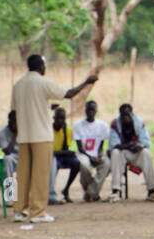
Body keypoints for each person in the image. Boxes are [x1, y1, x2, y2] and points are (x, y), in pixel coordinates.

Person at [10, 55, 98, 224]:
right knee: (41, 174)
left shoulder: (18, 85)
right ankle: (38, 212)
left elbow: (15, 111)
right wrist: (87, 82)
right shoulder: (43, 82)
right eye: (44, 65)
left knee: (23, 175)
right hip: (41, 136)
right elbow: (69, 94)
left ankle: (19, 210)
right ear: (40, 66)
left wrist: (45, 107)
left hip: (24, 136)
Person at [108, 105, 154, 199]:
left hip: (135, 152)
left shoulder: (139, 122)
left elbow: (145, 142)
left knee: (146, 153)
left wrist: (139, 145)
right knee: (115, 152)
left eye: (127, 115)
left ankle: (151, 190)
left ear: (131, 114)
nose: (125, 118)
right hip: (123, 153)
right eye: (123, 115)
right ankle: (115, 190)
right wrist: (129, 145)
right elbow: (114, 144)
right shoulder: (115, 124)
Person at [73, 98, 110, 201]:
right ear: (85, 111)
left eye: (92, 110)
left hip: (96, 153)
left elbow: (101, 145)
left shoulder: (103, 125)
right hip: (83, 153)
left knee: (106, 163)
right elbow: (80, 148)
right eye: (88, 110)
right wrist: (90, 157)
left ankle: (90, 192)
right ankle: (94, 193)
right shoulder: (78, 125)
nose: (90, 112)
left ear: (96, 111)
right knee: (84, 165)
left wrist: (98, 155)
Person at [49, 105, 81, 204]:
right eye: (58, 118)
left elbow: (66, 148)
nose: (60, 121)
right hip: (52, 157)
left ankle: (65, 189)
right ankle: (50, 193)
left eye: (63, 118)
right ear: (54, 118)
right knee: (53, 164)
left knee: (76, 163)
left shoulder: (68, 130)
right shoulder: (49, 129)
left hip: (61, 155)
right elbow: (50, 151)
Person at [0, 109, 18, 206]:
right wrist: (15, 135)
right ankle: (10, 196)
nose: (16, 123)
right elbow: (7, 151)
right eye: (14, 120)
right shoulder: (2, 132)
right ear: (9, 120)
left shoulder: (25, 130)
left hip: (24, 155)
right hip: (12, 157)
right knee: (7, 159)